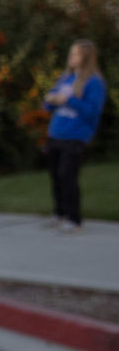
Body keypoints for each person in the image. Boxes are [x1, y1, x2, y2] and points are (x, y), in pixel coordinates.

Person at [42, 38, 106, 234]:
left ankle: (73, 218)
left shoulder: (94, 83)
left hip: (75, 136)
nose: (71, 57)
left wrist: (70, 100)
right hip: (56, 133)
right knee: (55, 176)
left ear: (86, 58)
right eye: (71, 53)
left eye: (76, 54)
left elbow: (92, 112)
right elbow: (49, 105)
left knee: (67, 175)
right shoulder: (66, 78)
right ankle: (59, 213)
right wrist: (51, 100)